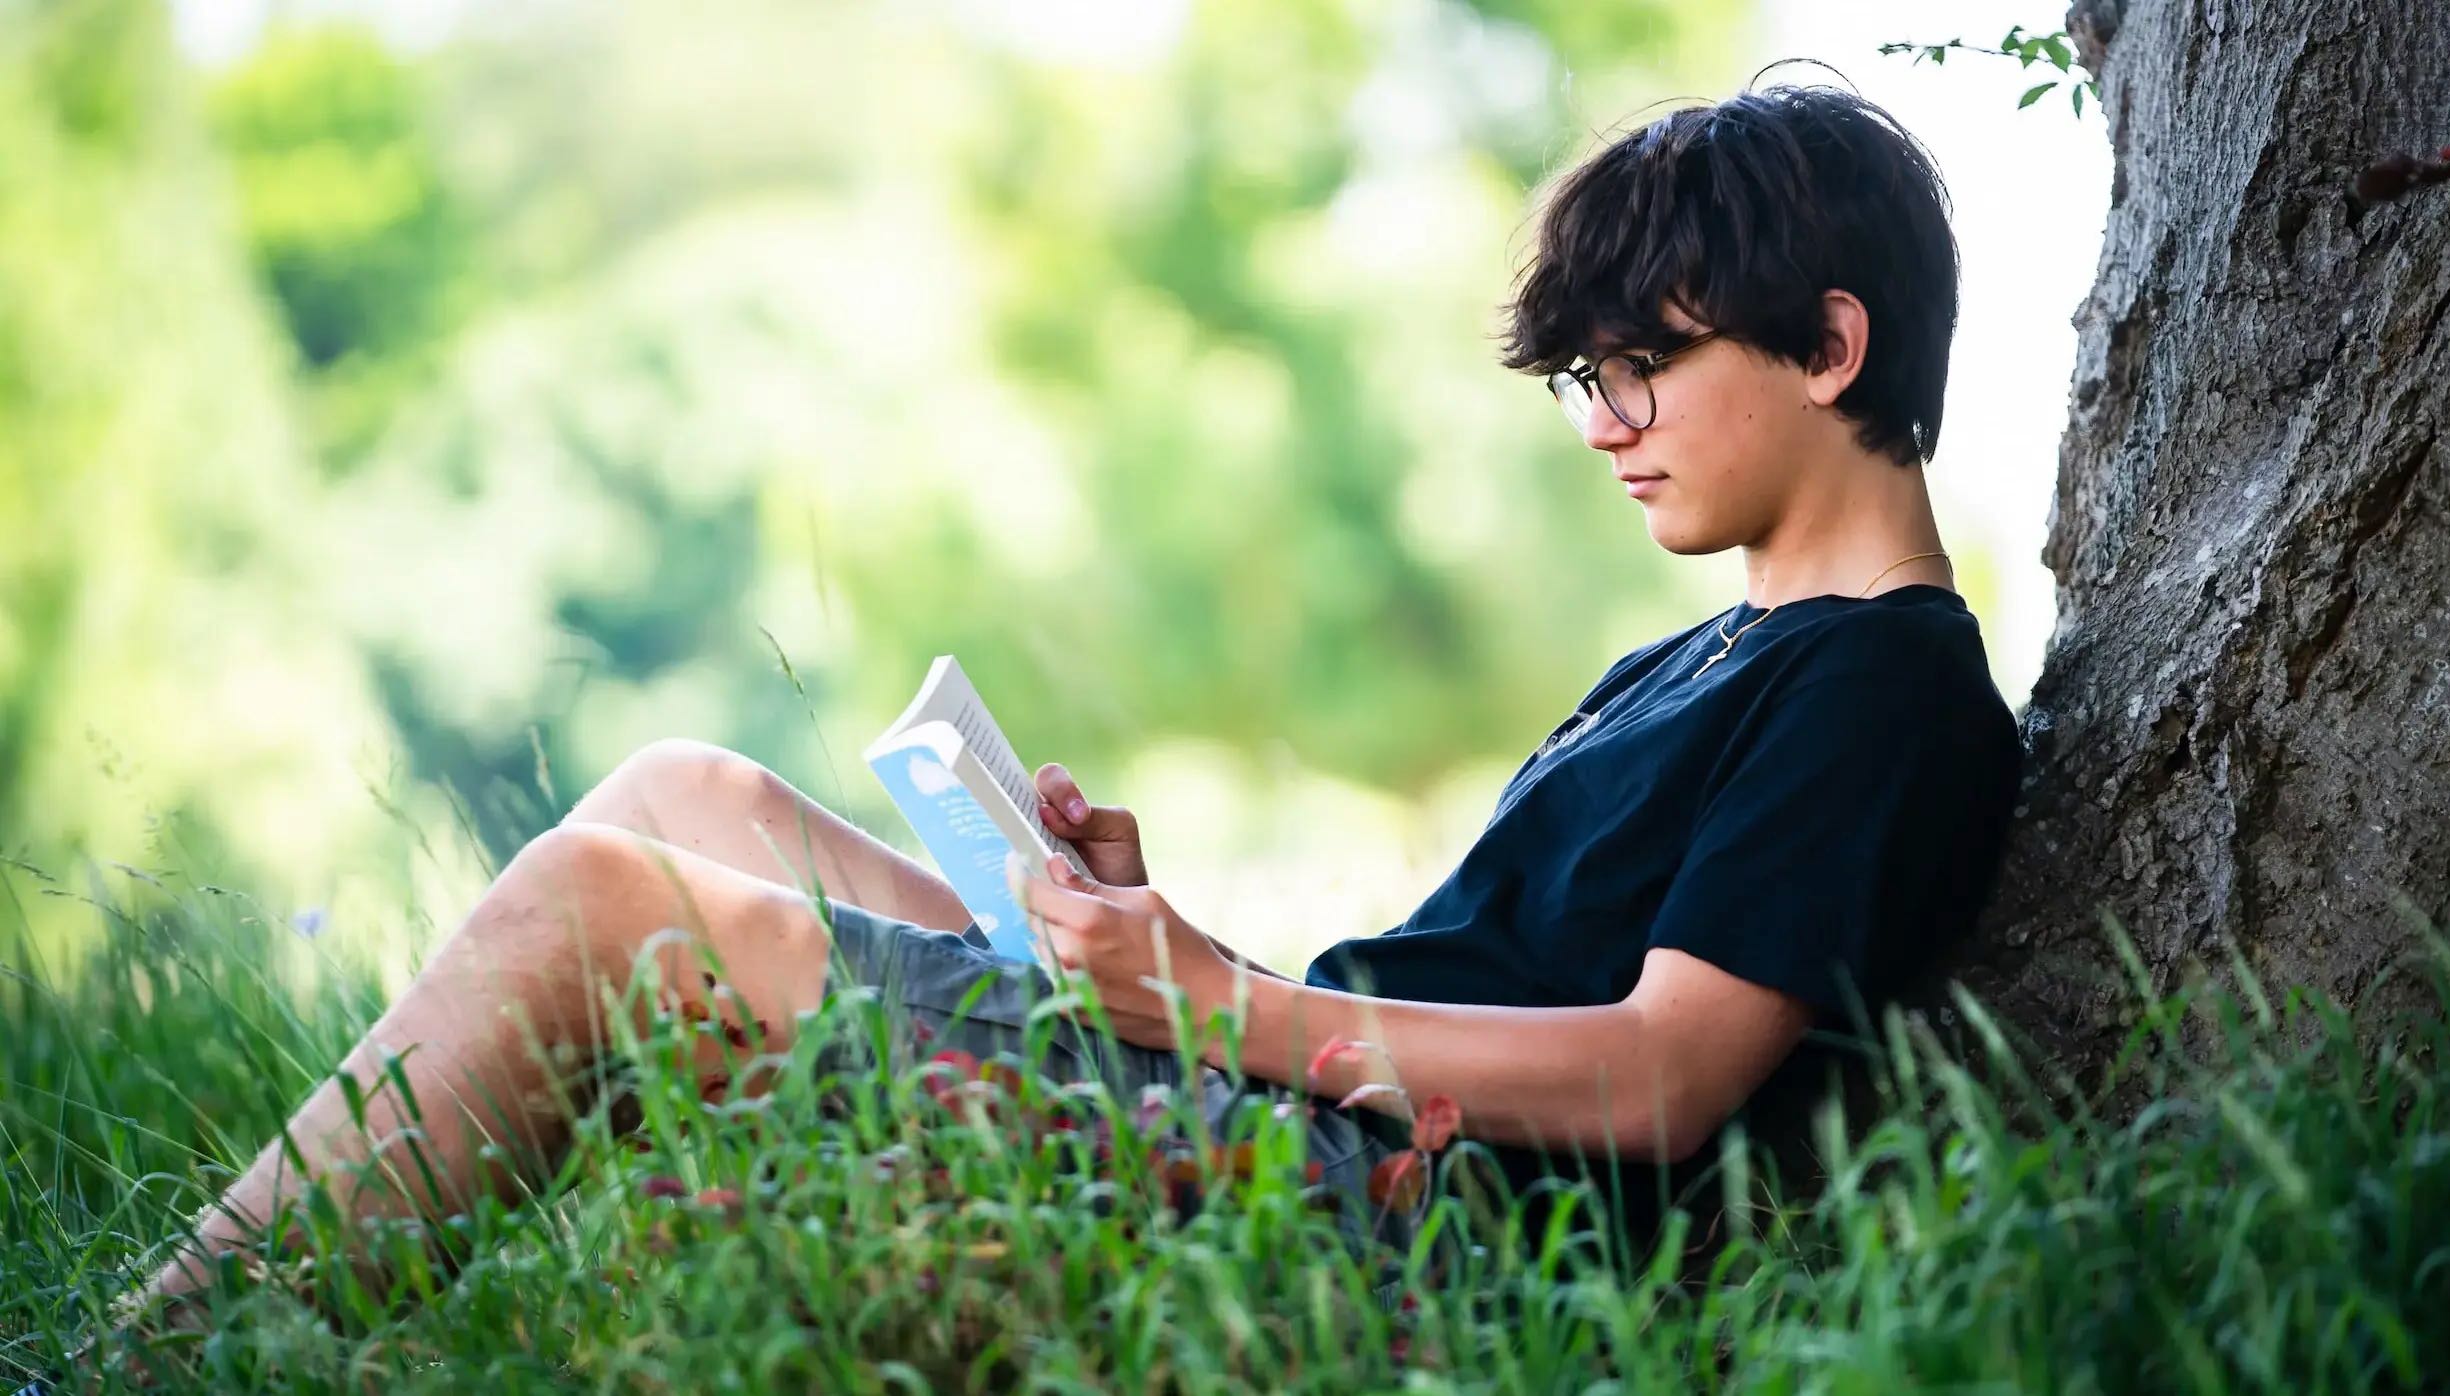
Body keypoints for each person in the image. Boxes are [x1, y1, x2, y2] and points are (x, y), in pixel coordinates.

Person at [116, 79, 2022, 1329]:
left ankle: (146, 1369)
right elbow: (1493, 973)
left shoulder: (1885, 684)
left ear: (1831, 342)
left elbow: (1661, 1077)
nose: (1601, 423)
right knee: (687, 788)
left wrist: (1208, 1003)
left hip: (1393, 1231)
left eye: (1644, 367)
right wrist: (1162, 936)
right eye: (1580, 378)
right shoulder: (1697, 658)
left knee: (604, 913)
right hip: (1302, 1102)